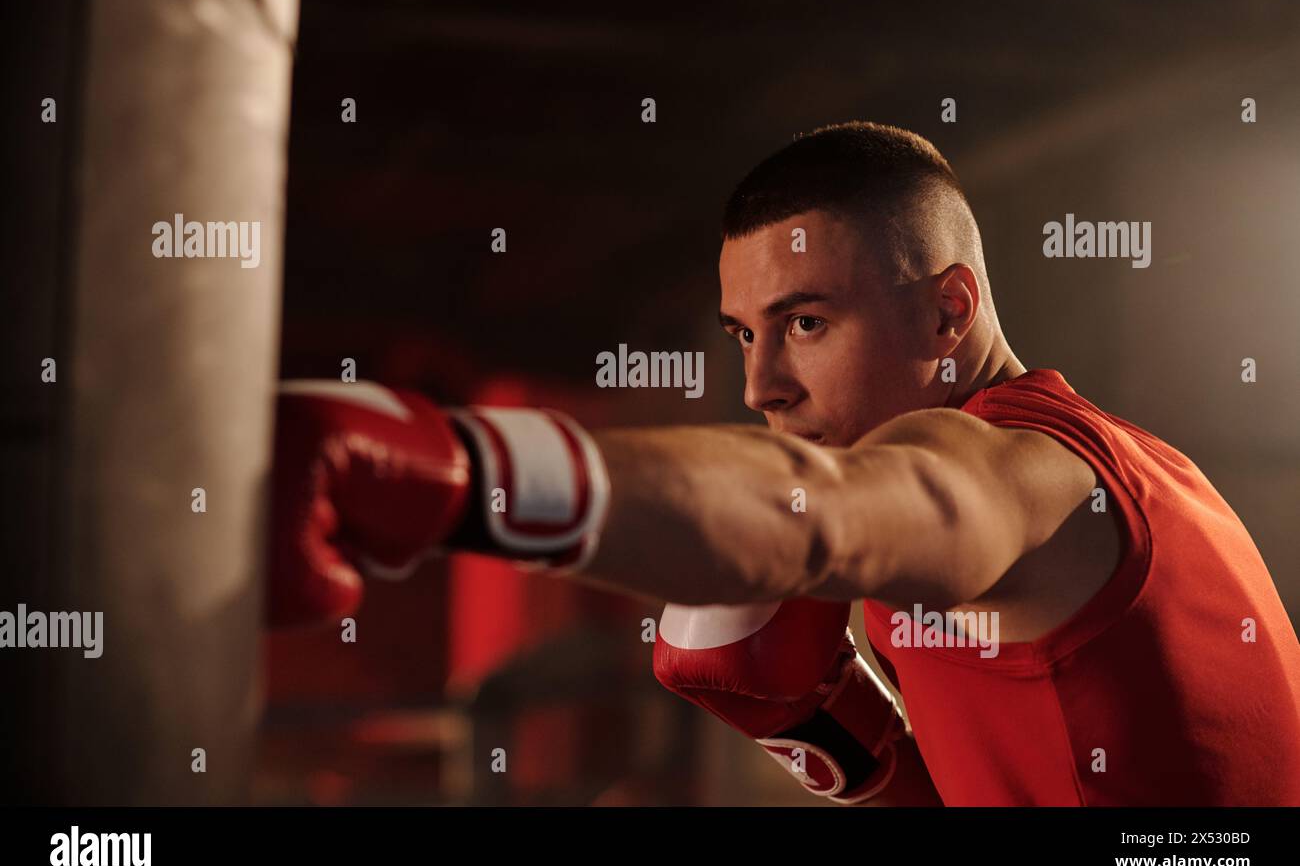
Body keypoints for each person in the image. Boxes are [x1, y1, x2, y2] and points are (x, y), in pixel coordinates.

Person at [268, 121, 1300, 806]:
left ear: (949, 310)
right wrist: (857, 757)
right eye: (740, 334)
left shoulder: (1022, 473)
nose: (764, 385)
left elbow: (825, 513)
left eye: (806, 321)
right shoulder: (1081, 491)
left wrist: (456, 467)